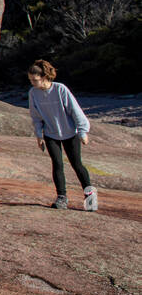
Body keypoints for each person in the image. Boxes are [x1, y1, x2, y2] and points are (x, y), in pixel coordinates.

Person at [27, 59, 97, 211]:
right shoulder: (33, 93)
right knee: (57, 164)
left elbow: (75, 110)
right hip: (51, 134)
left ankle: (90, 197)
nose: (32, 83)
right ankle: (62, 198)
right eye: (30, 80)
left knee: (77, 165)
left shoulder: (60, 89)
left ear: (44, 77)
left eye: (35, 80)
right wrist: (39, 136)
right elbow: (36, 117)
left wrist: (83, 131)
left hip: (70, 133)